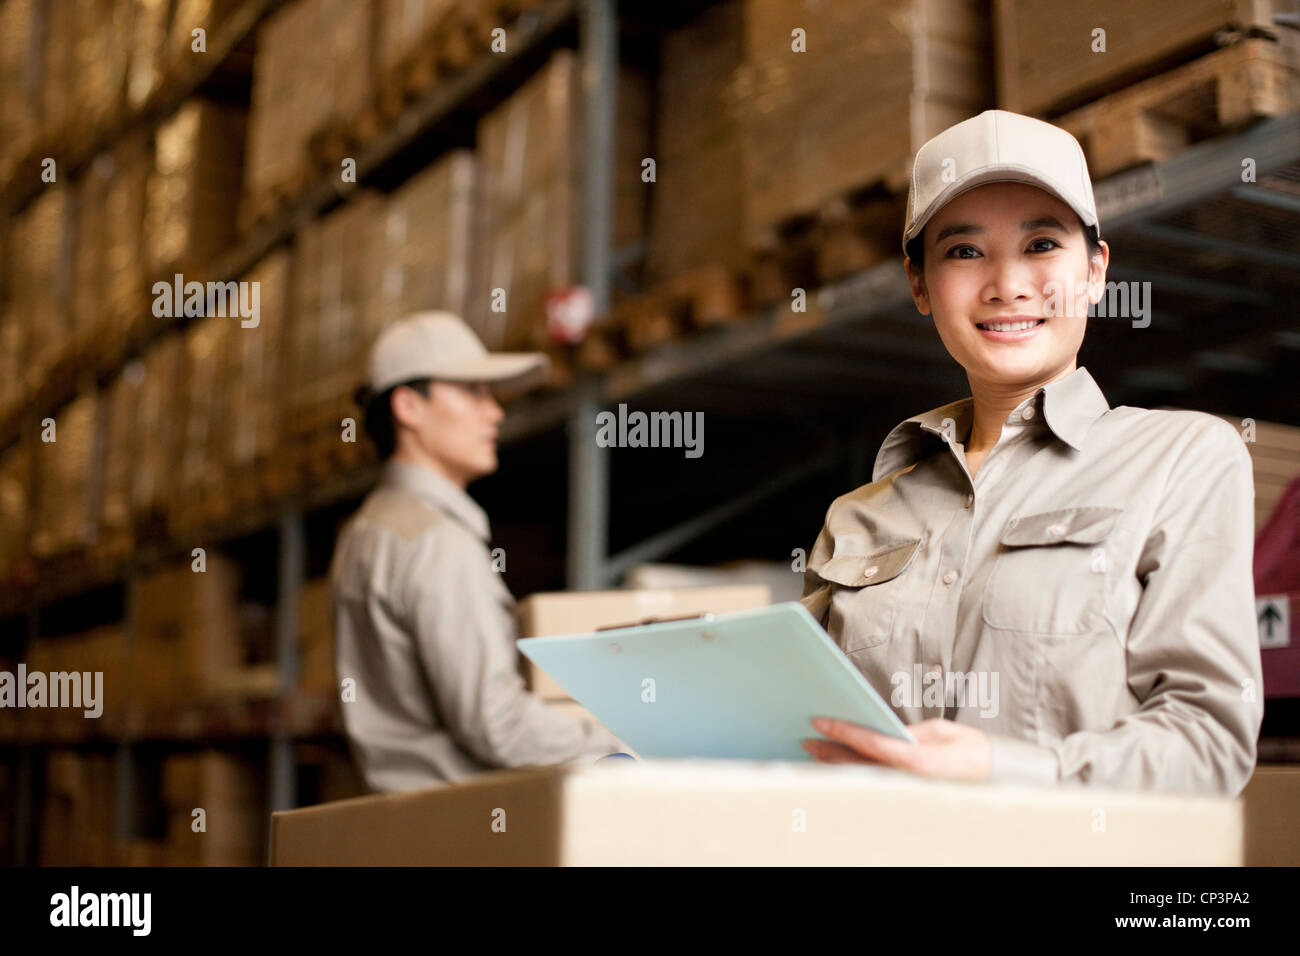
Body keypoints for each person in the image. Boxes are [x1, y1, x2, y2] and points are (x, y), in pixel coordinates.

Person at [798, 110, 1263, 795]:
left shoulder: (1184, 459)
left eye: (1042, 244)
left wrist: (1006, 772)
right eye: (963, 251)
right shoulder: (860, 517)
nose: (1008, 284)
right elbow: (806, 735)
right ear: (919, 285)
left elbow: (1208, 743)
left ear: (1096, 270)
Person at [331, 311, 624, 792]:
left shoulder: (366, 532)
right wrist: (621, 744)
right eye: (473, 392)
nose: (495, 412)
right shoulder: (435, 543)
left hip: (404, 827)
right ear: (409, 407)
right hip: (456, 836)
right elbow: (498, 726)